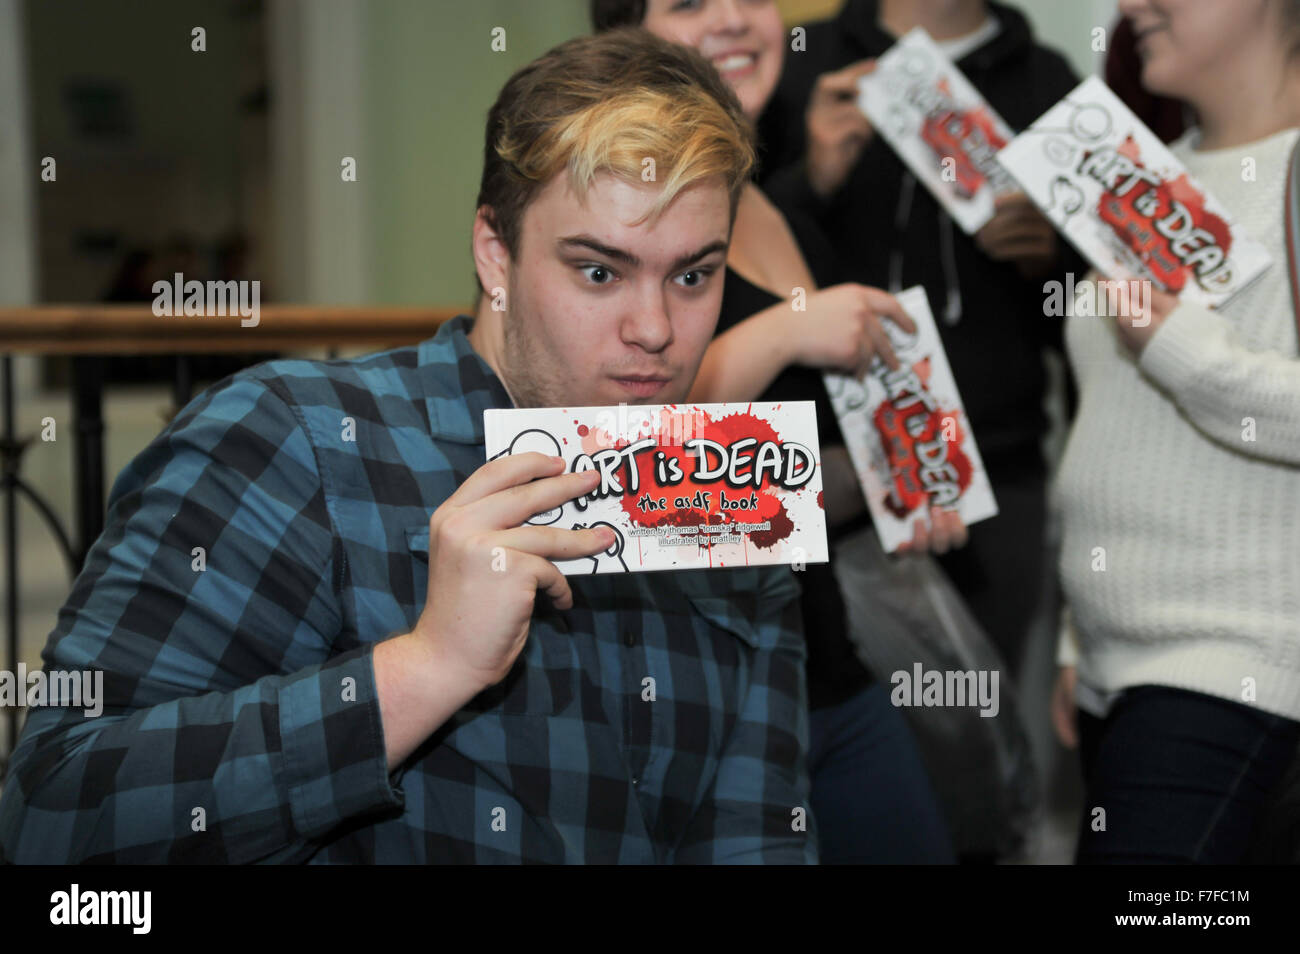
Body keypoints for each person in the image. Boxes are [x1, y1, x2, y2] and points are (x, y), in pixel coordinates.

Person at [0, 29, 817, 864]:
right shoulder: (291, 441)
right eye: (599, 272)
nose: (655, 331)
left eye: (692, 275)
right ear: (494, 252)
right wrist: (425, 669)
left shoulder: (733, 507)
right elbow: (52, 818)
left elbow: (755, 836)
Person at [592, 0, 958, 863]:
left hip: (820, 650)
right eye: (689, 3)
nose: (734, 20)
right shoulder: (604, 195)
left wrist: (901, 481)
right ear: (621, 34)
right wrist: (790, 330)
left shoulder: (781, 211)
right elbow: (620, 454)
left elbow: (770, 474)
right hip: (685, 668)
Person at [756, 0, 1081, 680]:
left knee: (978, 743)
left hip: (995, 470)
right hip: (828, 474)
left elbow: (1090, 329)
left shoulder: (1047, 82)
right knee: (833, 729)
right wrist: (808, 183)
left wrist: (1049, 260)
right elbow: (725, 273)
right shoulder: (795, 61)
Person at [1050, 0, 1300, 863]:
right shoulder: (1149, 177)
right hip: (1125, 675)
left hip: (1237, 668)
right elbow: (1105, 420)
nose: (1130, 6)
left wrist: (1184, 349)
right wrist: (1082, 635)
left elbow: (1179, 366)